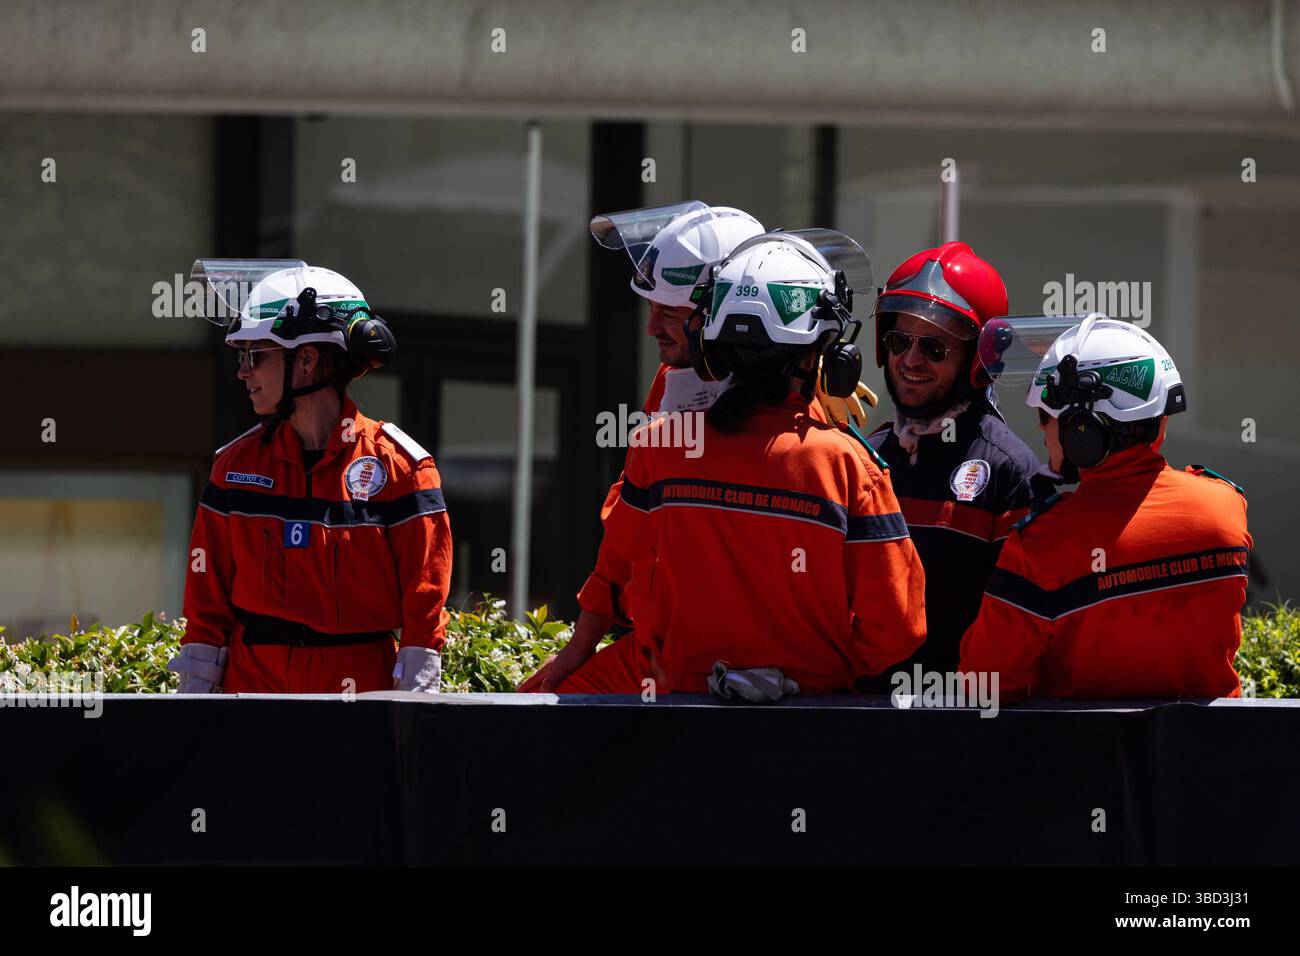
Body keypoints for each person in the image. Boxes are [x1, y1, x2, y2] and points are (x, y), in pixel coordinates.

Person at [529, 230, 925, 697]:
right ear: (826, 354)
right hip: (815, 724)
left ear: (710, 345)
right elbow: (899, 628)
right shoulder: (848, 464)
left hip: (680, 708)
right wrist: (829, 670)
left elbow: (620, 568)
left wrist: (588, 649)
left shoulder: (662, 445)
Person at [168, 261, 452, 694]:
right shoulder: (234, 468)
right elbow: (206, 606)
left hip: (360, 697)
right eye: (243, 357)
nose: (242, 372)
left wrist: (412, 715)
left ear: (305, 360)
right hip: (252, 694)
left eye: (255, 356)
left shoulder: (402, 470)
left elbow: (424, 606)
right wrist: (193, 707)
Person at [959, 315, 1251, 700]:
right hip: (1209, 757)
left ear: (1082, 431)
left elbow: (981, 684)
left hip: (1084, 758)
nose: (1041, 430)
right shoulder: (1226, 506)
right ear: (1160, 425)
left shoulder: (1040, 546)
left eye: (1046, 417)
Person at [860, 242, 1057, 688]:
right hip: (858, 717)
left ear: (978, 358)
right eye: (899, 340)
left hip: (961, 726)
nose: (910, 360)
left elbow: (1022, 630)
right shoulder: (862, 456)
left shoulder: (1010, 472)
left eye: (933, 346)